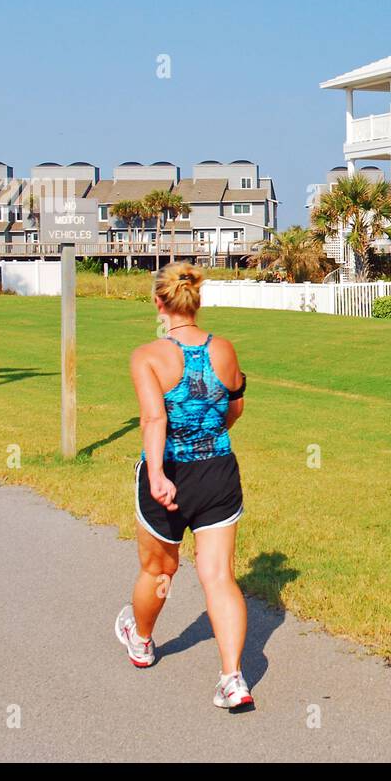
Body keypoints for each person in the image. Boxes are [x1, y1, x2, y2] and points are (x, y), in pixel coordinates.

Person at [115, 262, 253, 709]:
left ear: (159, 303)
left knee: (160, 571)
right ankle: (233, 679)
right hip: (218, 473)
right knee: (218, 576)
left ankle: (141, 640)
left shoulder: (147, 356)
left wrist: (156, 475)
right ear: (197, 301)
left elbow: (154, 418)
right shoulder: (225, 349)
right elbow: (235, 408)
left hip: (171, 474)